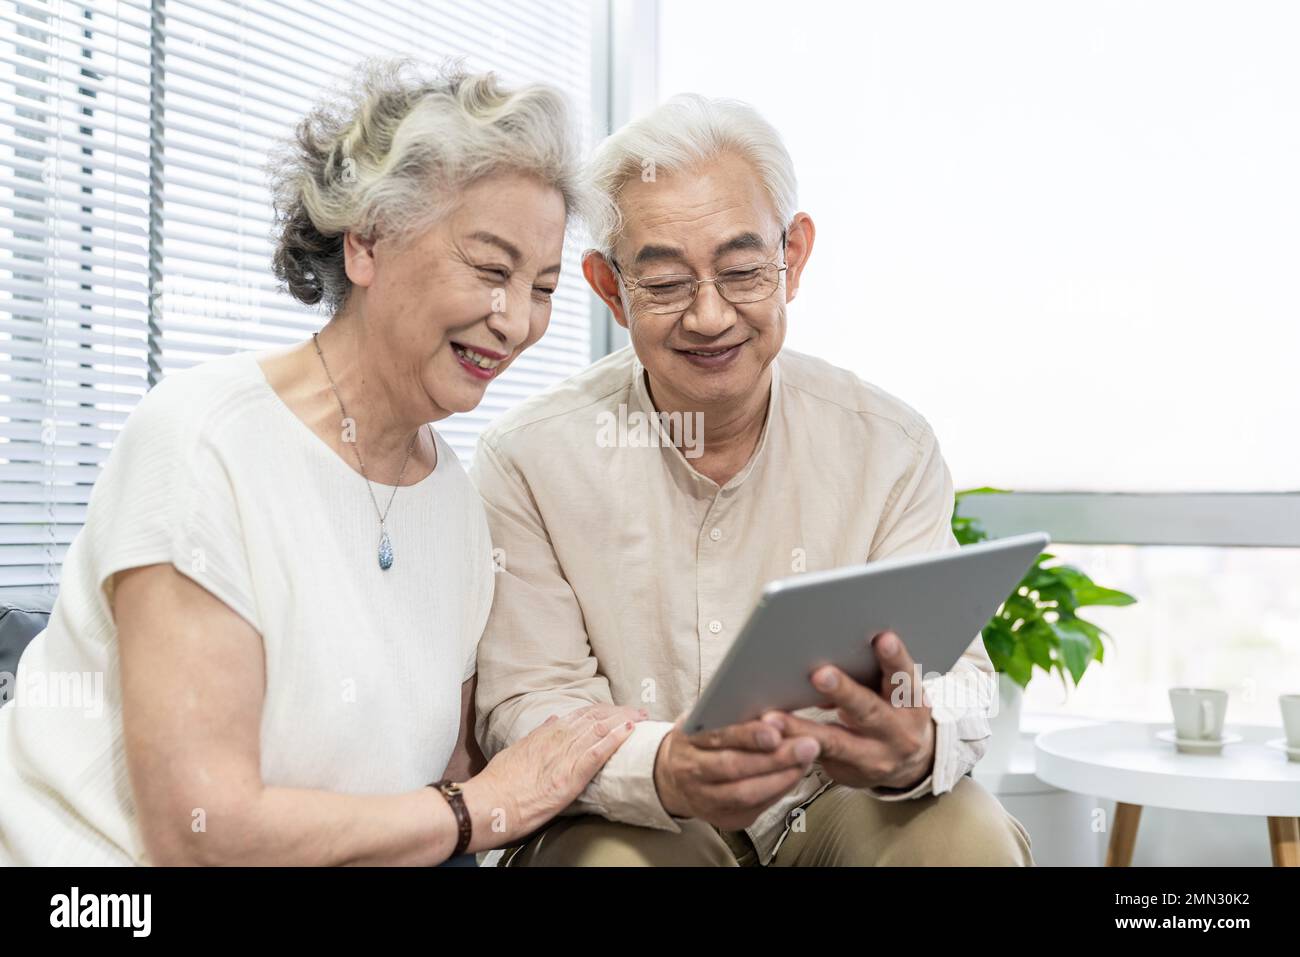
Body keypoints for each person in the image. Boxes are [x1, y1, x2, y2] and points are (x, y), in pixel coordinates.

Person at [0, 58, 640, 866]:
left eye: (542, 285)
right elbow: (203, 834)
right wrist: (482, 807)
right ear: (367, 240)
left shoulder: (454, 503)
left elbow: (442, 783)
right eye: (488, 268)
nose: (515, 321)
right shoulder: (204, 444)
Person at [472, 93, 1034, 866]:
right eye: (665, 283)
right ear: (609, 288)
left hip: (831, 796)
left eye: (742, 271)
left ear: (792, 259)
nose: (710, 317)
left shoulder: (888, 445)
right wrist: (662, 767)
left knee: (966, 838)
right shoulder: (529, 458)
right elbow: (526, 702)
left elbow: (959, 679)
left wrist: (917, 738)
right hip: (633, 812)